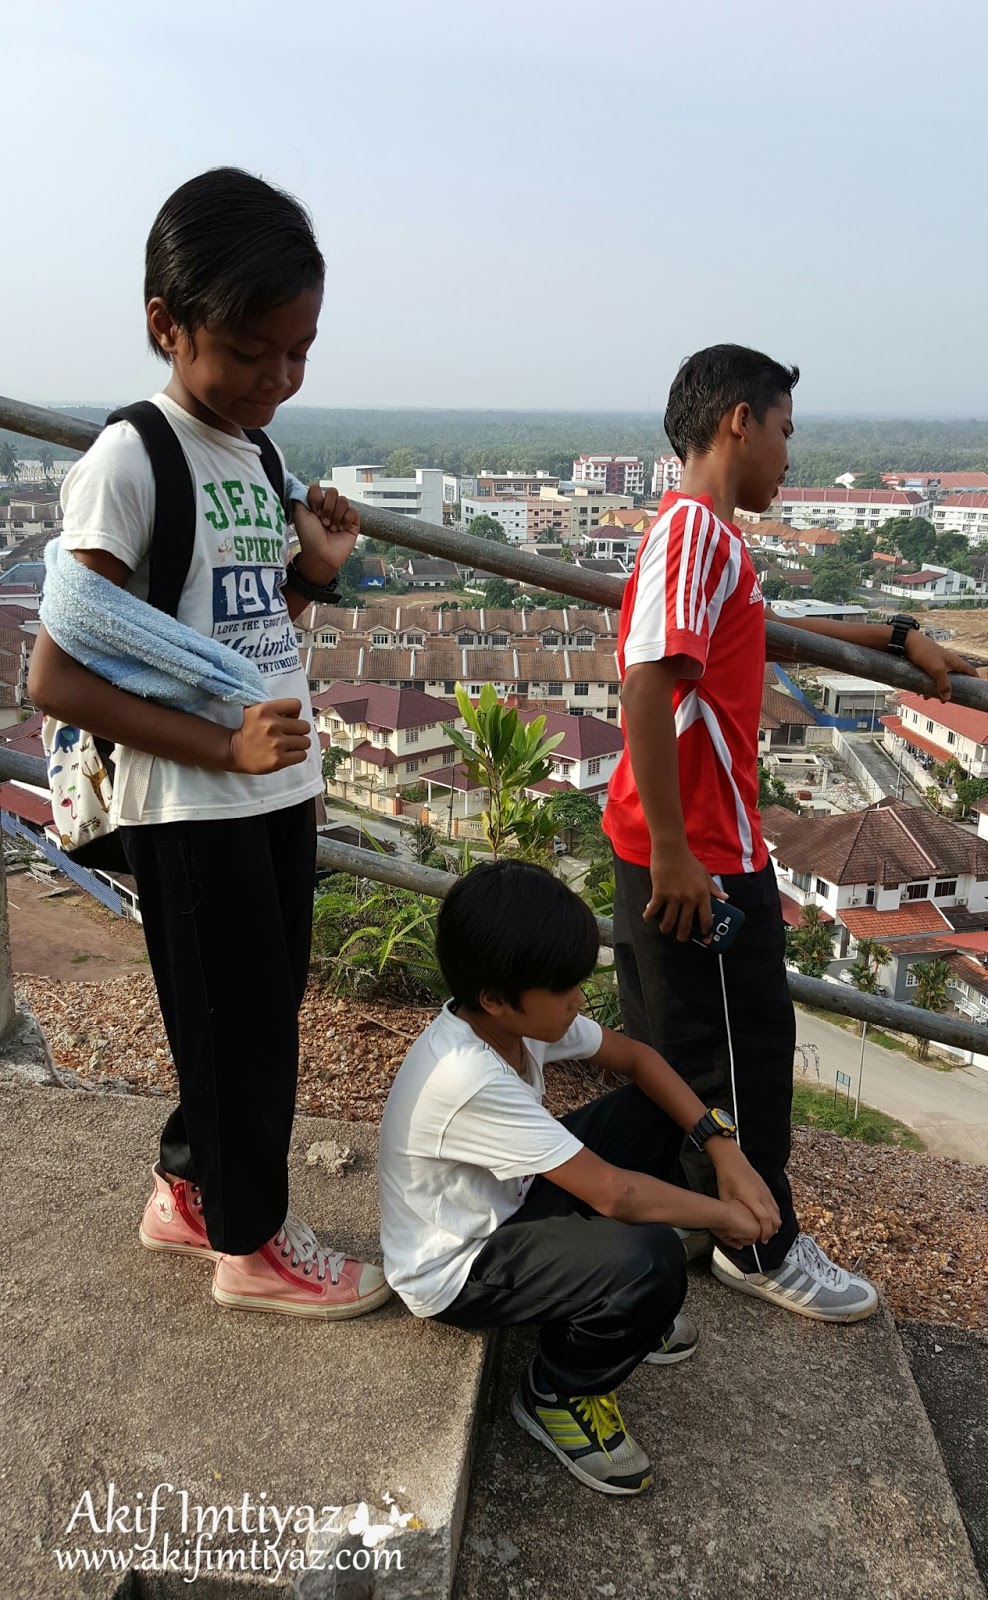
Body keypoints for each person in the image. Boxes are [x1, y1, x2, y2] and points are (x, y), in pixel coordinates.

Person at [28, 168, 391, 1321]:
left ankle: (188, 1191)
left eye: (299, 353)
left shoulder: (258, 457)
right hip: (191, 806)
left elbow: (236, 635)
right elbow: (61, 667)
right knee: (241, 1033)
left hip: (271, 789)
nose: (277, 380)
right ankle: (251, 1244)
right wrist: (220, 750)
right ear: (166, 325)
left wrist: (312, 576)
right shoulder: (132, 459)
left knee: (252, 1010)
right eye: (249, 352)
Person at [603, 342, 976, 1320]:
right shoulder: (692, 535)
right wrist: (681, 853)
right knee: (746, 1058)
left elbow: (760, 633)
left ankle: (695, 1217)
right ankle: (762, 1247)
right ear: (738, 420)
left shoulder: (708, 542)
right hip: (699, 857)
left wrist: (893, 632)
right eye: (783, 432)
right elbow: (647, 682)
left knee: (681, 1055)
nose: (787, 456)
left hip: (675, 845)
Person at [378, 860, 782, 1496]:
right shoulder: (465, 1074)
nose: (578, 1001)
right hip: (458, 1268)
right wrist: (727, 1216)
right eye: (564, 990)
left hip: (508, 1205)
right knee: (654, 1261)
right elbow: (614, 1194)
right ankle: (555, 1391)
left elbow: (638, 1057)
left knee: (654, 1108)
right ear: (496, 999)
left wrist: (722, 1150)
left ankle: (608, 1309)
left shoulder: (508, 1019)